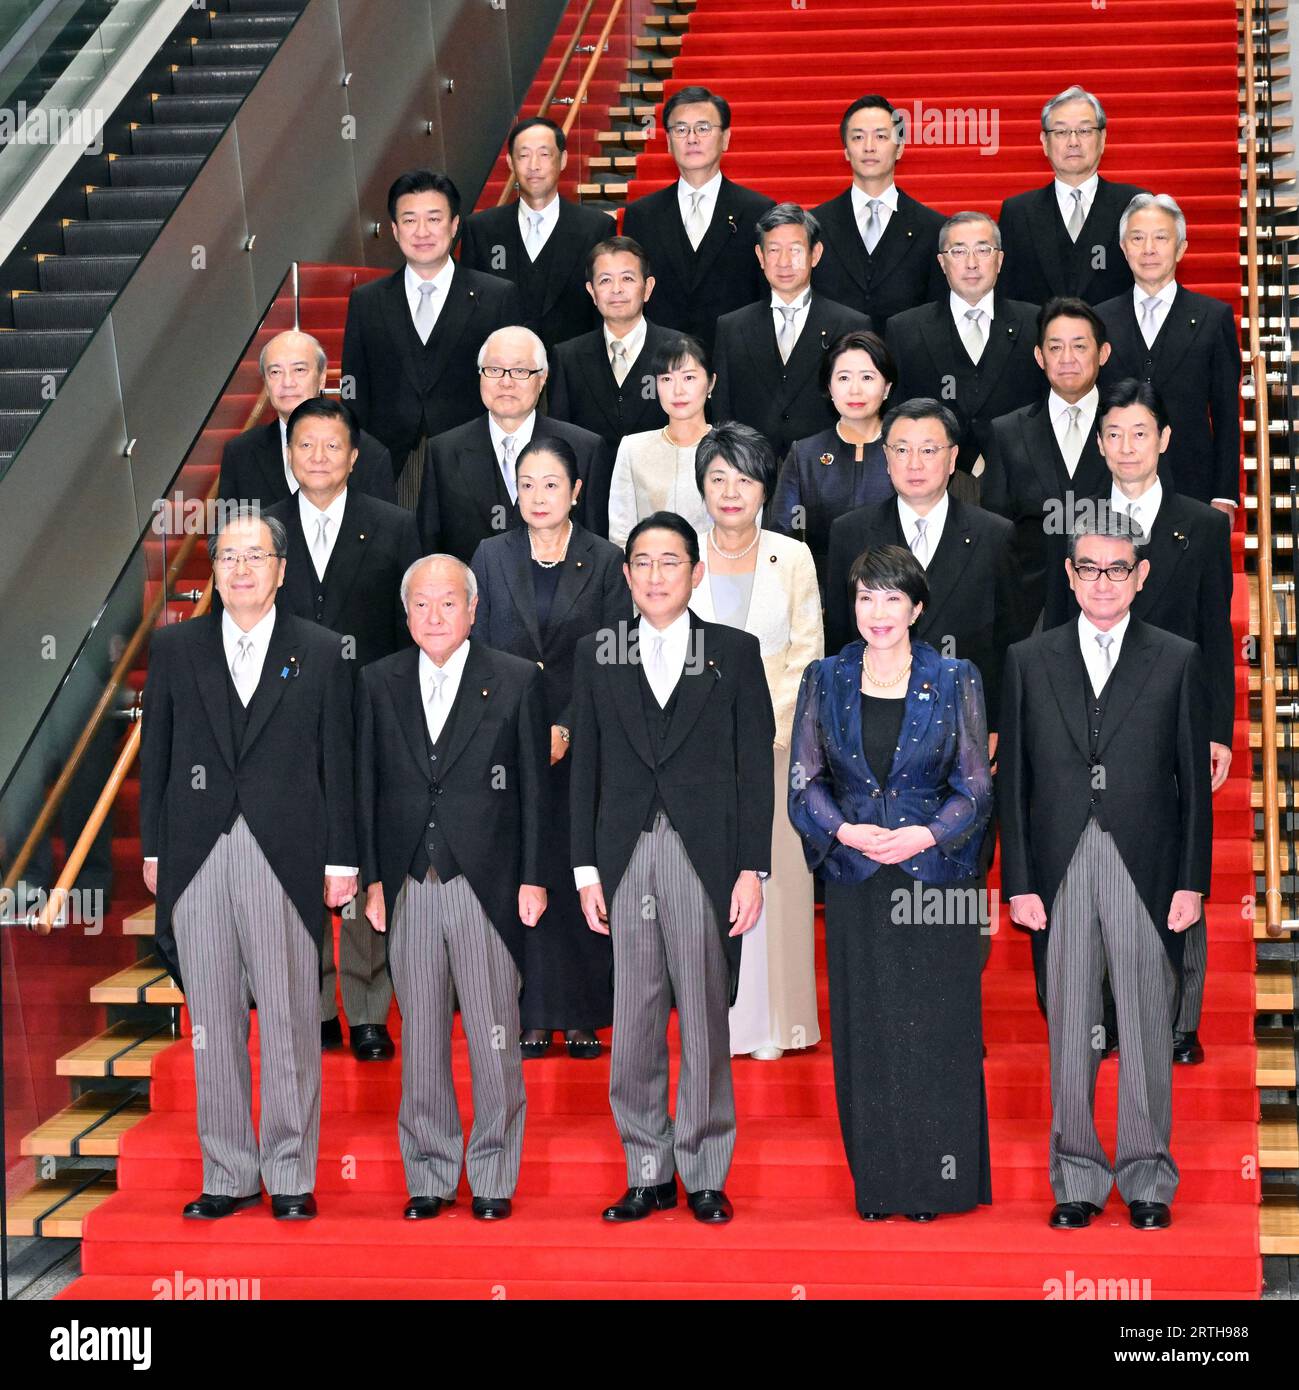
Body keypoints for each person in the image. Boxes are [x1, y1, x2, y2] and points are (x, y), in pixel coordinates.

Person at [139, 512, 357, 1221]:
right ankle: (227, 1172)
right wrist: (152, 849)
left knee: (292, 1018)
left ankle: (291, 1173)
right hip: (197, 851)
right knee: (213, 1022)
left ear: (281, 568)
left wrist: (341, 856)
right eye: (227, 556)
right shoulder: (175, 648)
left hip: (285, 852)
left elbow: (338, 762)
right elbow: (158, 756)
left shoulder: (320, 651)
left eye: (254, 556)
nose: (239, 569)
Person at [998, 513, 1212, 1231]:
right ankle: (1077, 1178)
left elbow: (1190, 781)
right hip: (1058, 865)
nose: (1101, 582)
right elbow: (1015, 783)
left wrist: (1191, 881)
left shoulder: (1176, 657)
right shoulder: (1029, 659)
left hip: (1145, 864)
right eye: (1086, 568)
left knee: (1150, 1022)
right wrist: (1019, 879)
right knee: (1070, 1026)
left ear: (1140, 575)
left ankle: (1147, 1176)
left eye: (1116, 569)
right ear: (1068, 574)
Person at [570, 512, 775, 1224]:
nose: (655, 576)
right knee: (633, 1021)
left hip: (705, 855)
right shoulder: (599, 653)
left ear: (695, 572)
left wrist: (753, 867)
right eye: (642, 563)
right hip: (624, 855)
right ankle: (646, 1168)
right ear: (625, 576)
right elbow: (584, 770)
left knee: (704, 1019)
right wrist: (583, 871)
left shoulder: (734, 653)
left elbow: (755, 770)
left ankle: (706, 1170)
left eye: (670, 562)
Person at [789, 544, 992, 1220]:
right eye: (865, 598)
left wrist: (926, 833)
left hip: (934, 880)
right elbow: (803, 782)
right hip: (855, 878)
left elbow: (973, 787)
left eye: (891, 598)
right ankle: (879, 1184)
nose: (878, 612)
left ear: (916, 607)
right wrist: (843, 832)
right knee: (866, 1033)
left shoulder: (954, 676)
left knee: (935, 1031)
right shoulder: (825, 677)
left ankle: (937, 1186)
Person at [1043, 378, 1236, 1066]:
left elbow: (1214, 634)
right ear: (1098, 443)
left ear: (1163, 439)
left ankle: (1180, 1019)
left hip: (1177, 716)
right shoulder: (1074, 517)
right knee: (1092, 855)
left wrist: (1218, 729)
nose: (1126, 447)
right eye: (1113, 434)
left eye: (1139, 433)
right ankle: (1106, 1016)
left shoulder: (1203, 524)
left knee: (1179, 858)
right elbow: (1052, 623)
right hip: (1091, 715)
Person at [356, 555, 550, 1222]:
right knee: (422, 1040)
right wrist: (374, 882)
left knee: (496, 1038)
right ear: (405, 614)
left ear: (472, 610)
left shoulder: (516, 680)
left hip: (488, 882)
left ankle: (493, 1174)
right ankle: (429, 1175)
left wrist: (532, 876)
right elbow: (366, 789)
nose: (434, 616)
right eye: (421, 604)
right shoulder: (377, 682)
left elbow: (533, 788)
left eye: (447, 603)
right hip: (408, 882)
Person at [264, 398, 421, 1059]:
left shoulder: (393, 526)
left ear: (355, 457)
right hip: (286, 721)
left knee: (359, 858)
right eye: (307, 446)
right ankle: (316, 1002)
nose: (319, 458)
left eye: (333, 447)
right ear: (289, 455)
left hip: (368, 717)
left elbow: (409, 629)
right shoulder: (262, 532)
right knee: (298, 858)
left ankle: (365, 1007)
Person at [469, 438, 633, 1059]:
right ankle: (531, 1012)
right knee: (522, 871)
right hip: (506, 741)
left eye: (551, 485)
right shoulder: (489, 554)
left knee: (576, 872)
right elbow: (476, 644)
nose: (538, 497)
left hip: (585, 741)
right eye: (527, 484)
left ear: (576, 491)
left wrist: (566, 726)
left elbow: (618, 654)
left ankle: (586, 1012)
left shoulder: (606, 558)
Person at [688, 424, 823, 1060]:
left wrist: (760, 723)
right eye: (718, 478)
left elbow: (807, 653)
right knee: (709, 880)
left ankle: (781, 1024)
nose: (731, 491)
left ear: (765, 487)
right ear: (701, 487)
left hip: (774, 746)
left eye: (744, 478)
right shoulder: (682, 557)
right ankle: (716, 1022)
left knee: (780, 880)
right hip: (694, 748)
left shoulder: (792, 557)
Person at [826, 400, 1019, 742]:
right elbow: (840, 636)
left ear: (953, 458)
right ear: (885, 458)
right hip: (873, 717)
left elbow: (1007, 639)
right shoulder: (849, 532)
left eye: (929, 450)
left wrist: (996, 724)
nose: (914, 463)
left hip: (964, 721)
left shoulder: (994, 534)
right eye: (901, 449)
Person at [341, 170, 522, 508]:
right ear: (394, 230)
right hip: (391, 466)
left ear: (455, 226)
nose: (422, 232)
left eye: (434, 219)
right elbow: (355, 393)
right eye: (409, 220)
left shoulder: (496, 296)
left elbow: (515, 385)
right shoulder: (367, 301)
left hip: (474, 460)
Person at [1096, 193, 1242, 511]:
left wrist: (1225, 494)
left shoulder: (1212, 317)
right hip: (1113, 487)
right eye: (1137, 238)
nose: (1148, 249)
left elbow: (1226, 412)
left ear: (1180, 248)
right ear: (1123, 248)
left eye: (1161, 238)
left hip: (1193, 487)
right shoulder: (1098, 319)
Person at [416, 325, 611, 559]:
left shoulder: (584, 448)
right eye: (494, 369)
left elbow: (596, 548)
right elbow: (429, 548)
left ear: (542, 378)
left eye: (520, 371)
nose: (506, 382)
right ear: (480, 375)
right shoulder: (444, 451)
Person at [981, 297, 1111, 635]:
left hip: (1114, 597)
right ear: (1040, 357)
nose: (1067, 358)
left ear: (1103, 353)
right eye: (1055, 348)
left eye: (1080, 346)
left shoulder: (1130, 427)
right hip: (1029, 610)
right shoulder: (1007, 431)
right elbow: (996, 534)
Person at [885, 212, 1040, 490]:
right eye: (958, 251)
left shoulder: (1035, 324)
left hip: (1021, 478)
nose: (971, 263)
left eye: (983, 250)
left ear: (1000, 259)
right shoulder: (905, 329)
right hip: (937, 482)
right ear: (942, 262)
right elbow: (897, 414)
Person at [711, 204, 872, 460]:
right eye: (774, 250)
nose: (784, 262)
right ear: (760, 256)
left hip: (827, 469)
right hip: (752, 472)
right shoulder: (732, 327)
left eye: (795, 250)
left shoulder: (850, 324)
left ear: (815, 254)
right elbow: (722, 410)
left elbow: (864, 409)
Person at [621, 86, 774, 348]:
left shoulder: (758, 211)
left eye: (703, 128)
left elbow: (766, 297)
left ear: (725, 138)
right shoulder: (641, 215)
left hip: (736, 359)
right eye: (680, 130)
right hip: (662, 365)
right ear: (668, 141)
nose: (691, 138)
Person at [458, 116, 614, 352]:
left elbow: (604, 309)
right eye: (523, 155)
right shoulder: (481, 229)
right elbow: (470, 312)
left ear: (562, 160)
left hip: (573, 372)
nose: (533, 165)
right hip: (504, 374)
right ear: (510, 162)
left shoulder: (596, 228)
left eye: (544, 154)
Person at [769, 329, 896, 604]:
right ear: (829, 388)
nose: (855, 389)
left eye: (867, 377)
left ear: (886, 388)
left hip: (896, 592)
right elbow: (782, 536)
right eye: (843, 378)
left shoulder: (905, 450)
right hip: (821, 596)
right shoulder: (805, 454)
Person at [998, 86, 1146, 308]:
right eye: (1061, 132)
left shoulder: (1134, 205)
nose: (1073, 142)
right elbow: (1006, 298)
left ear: (1103, 138)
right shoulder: (1017, 213)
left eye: (1085, 131)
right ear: (1044, 142)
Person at [810, 94, 946, 334]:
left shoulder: (933, 228)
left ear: (900, 148)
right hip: (832, 363)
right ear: (846, 150)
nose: (869, 146)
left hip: (905, 366)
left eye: (881, 136)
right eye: (858, 137)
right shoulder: (814, 226)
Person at [218, 330, 397, 509]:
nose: (287, 382)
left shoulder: (368, 452)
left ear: (322, 377)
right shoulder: (240, 453)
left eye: (299, 370)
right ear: (265, 382)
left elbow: (386, 532)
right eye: (275, 372)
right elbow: (223, 533)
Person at [546, 236, 672, 450]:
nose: (616, 289)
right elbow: (560, 439)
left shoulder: (678, 350)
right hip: (591, 481)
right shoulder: (567, 357)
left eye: (627, 279)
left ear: (648, 287)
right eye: (605, 280)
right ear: (591, 292)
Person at [607, 334, 715, 548]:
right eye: (666, 379)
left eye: (689, 378)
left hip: (715, 574)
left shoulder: (734, 451)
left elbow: (744, 531)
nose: (678, 390)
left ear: (711, 383)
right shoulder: (633, 448)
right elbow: (620, 536)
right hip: (647, 573)